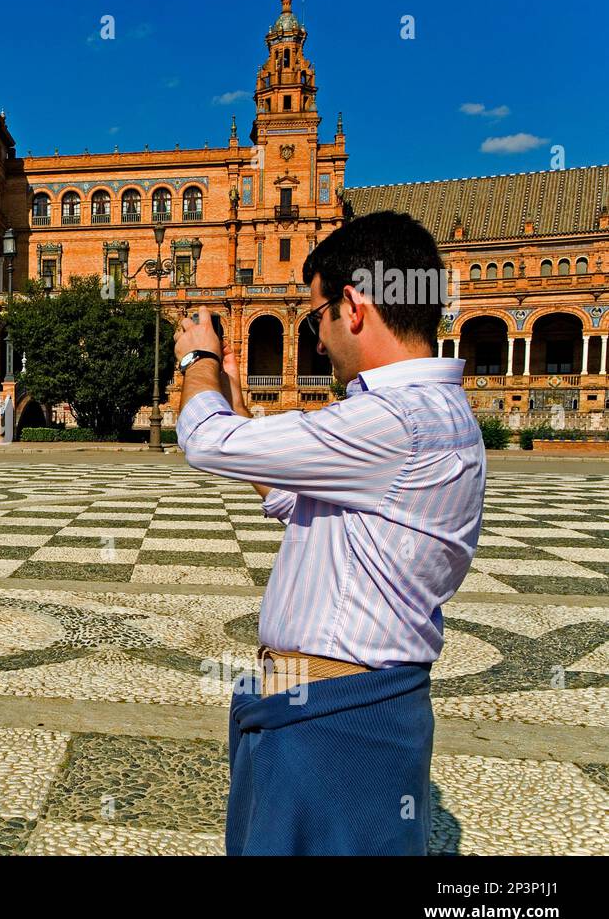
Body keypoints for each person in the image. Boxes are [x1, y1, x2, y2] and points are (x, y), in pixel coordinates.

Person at [174, 211, 485, 855]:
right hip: (333, 704)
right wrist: (240, 412)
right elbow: (295, 500)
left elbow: (203, 440)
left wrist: (196, 358)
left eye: (317, 316)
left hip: (337, 718)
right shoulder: (427, 414)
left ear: (354, 305)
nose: (317, 341)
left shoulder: (396, 419)